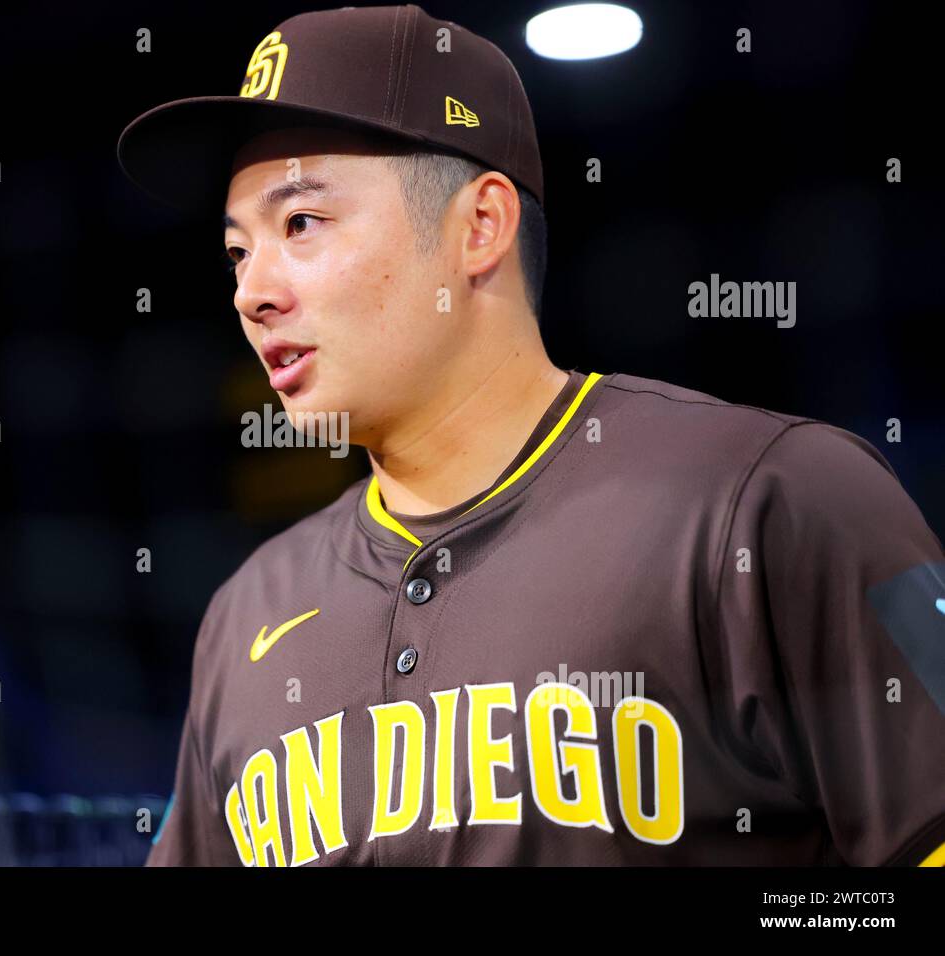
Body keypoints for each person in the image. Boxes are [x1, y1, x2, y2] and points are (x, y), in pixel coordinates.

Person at [117, 5, 945, 866]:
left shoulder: (774, 500)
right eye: (237, 252)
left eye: (300, 224)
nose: (251, 292)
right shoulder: (247, 613)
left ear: (480, 227)